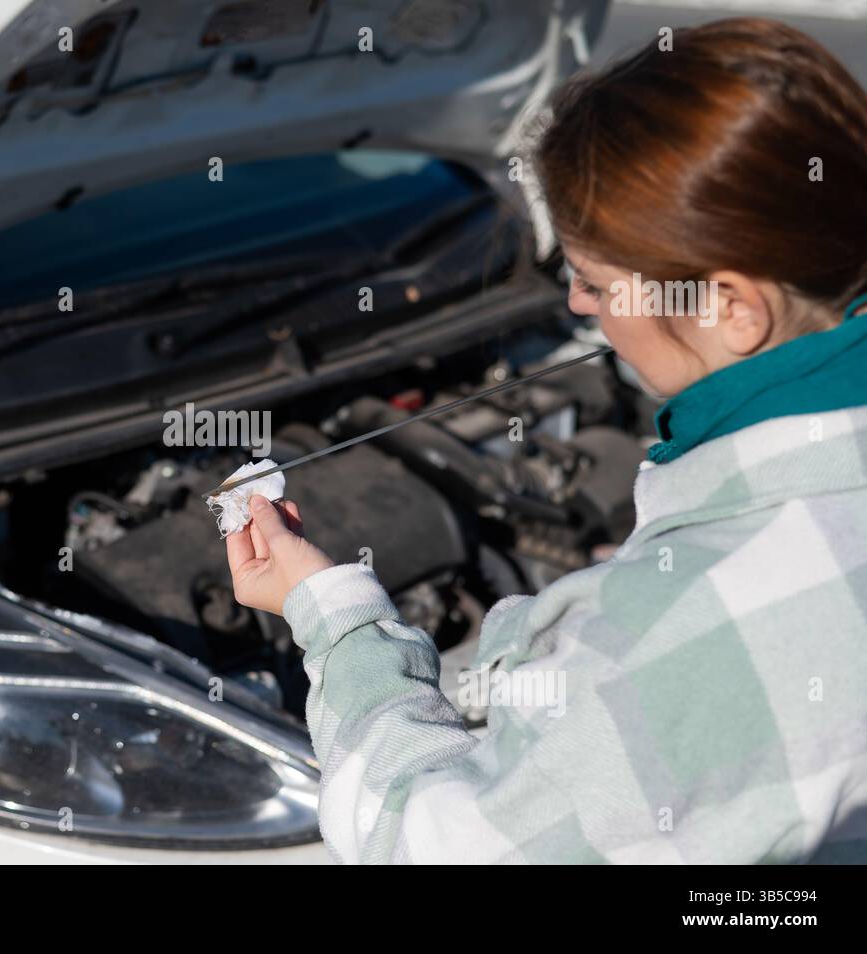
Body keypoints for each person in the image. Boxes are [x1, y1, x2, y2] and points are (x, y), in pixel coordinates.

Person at [225, 17, 867, 863]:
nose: (575, 308)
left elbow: (444, 845)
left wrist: (339, 626)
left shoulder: (717, 610)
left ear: (730, 309)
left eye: (597, 281)